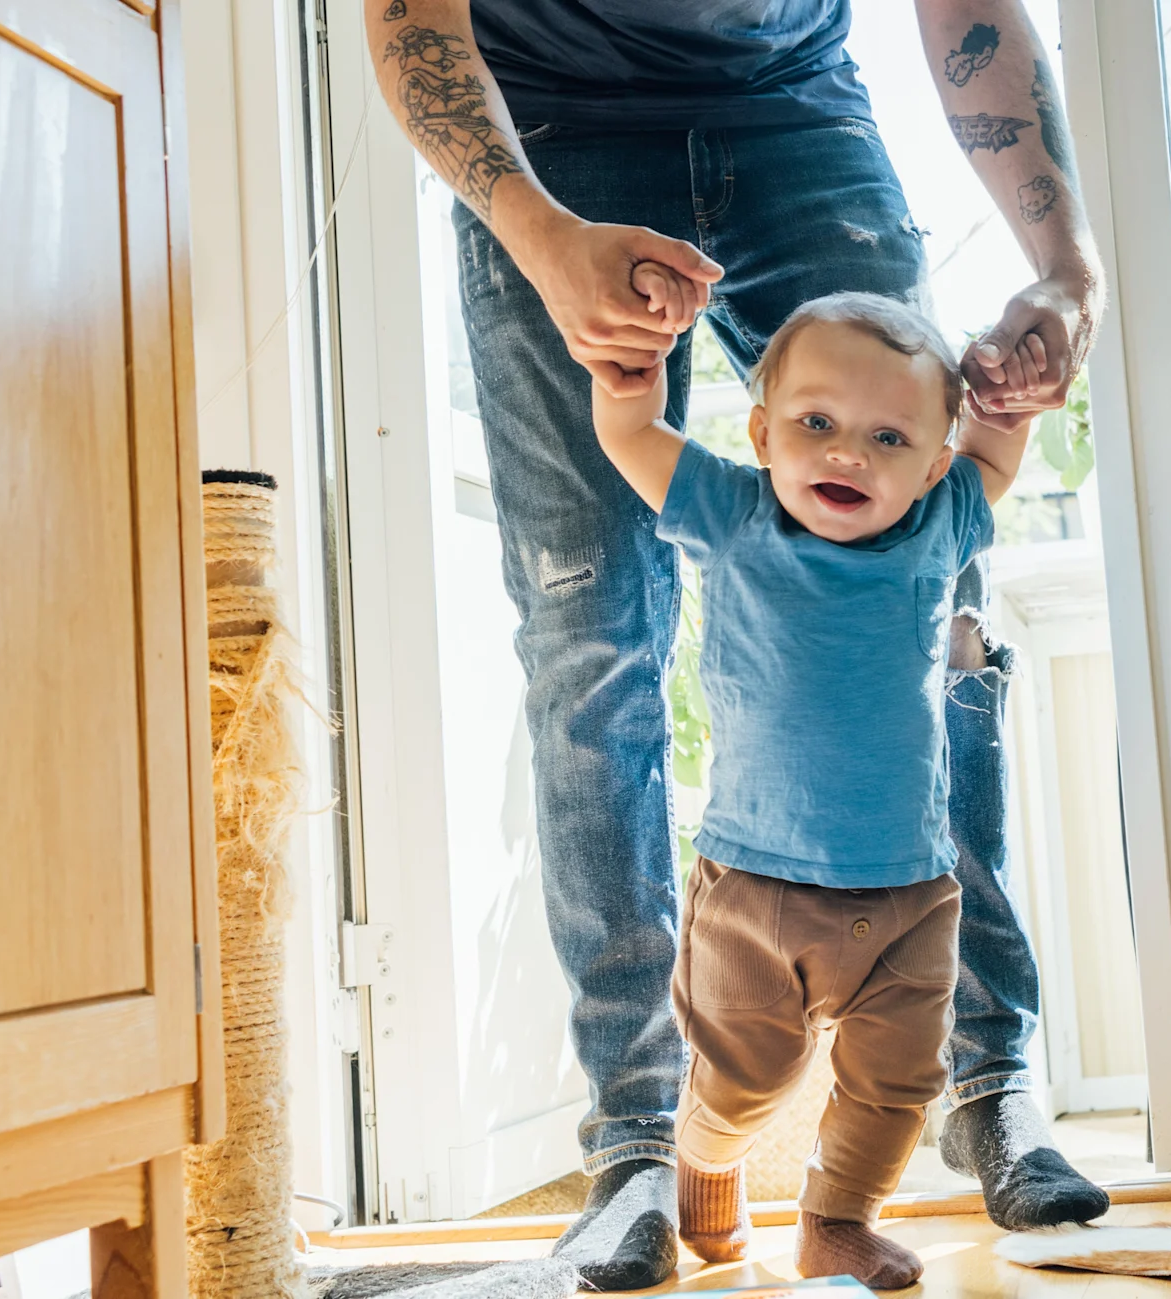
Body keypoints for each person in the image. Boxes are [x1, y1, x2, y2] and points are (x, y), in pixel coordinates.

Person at [360, 1, 1110, 1287]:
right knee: (585, 627)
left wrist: (1066, 260)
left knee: (939, 592)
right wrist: (537, 237)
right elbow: (410, 18)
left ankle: (983, 1079)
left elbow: (969, 14)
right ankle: (643, 1146)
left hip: (795, 107)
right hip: (547, 126)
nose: (850, 458)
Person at [595, 281, 1029, 1289]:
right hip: (756, 885)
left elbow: (996, 456)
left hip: (911, 891)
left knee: (899, 1082)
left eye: (889, 440)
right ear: (761, 432)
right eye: (817, 423)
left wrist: (1006, 405)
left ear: (930, 470)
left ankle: (836, 1219)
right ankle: (704, 1160)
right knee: (749, 1082)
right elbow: (636, 443)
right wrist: (627, 391)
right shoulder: (736, 516)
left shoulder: (935, 529)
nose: (846, 454)